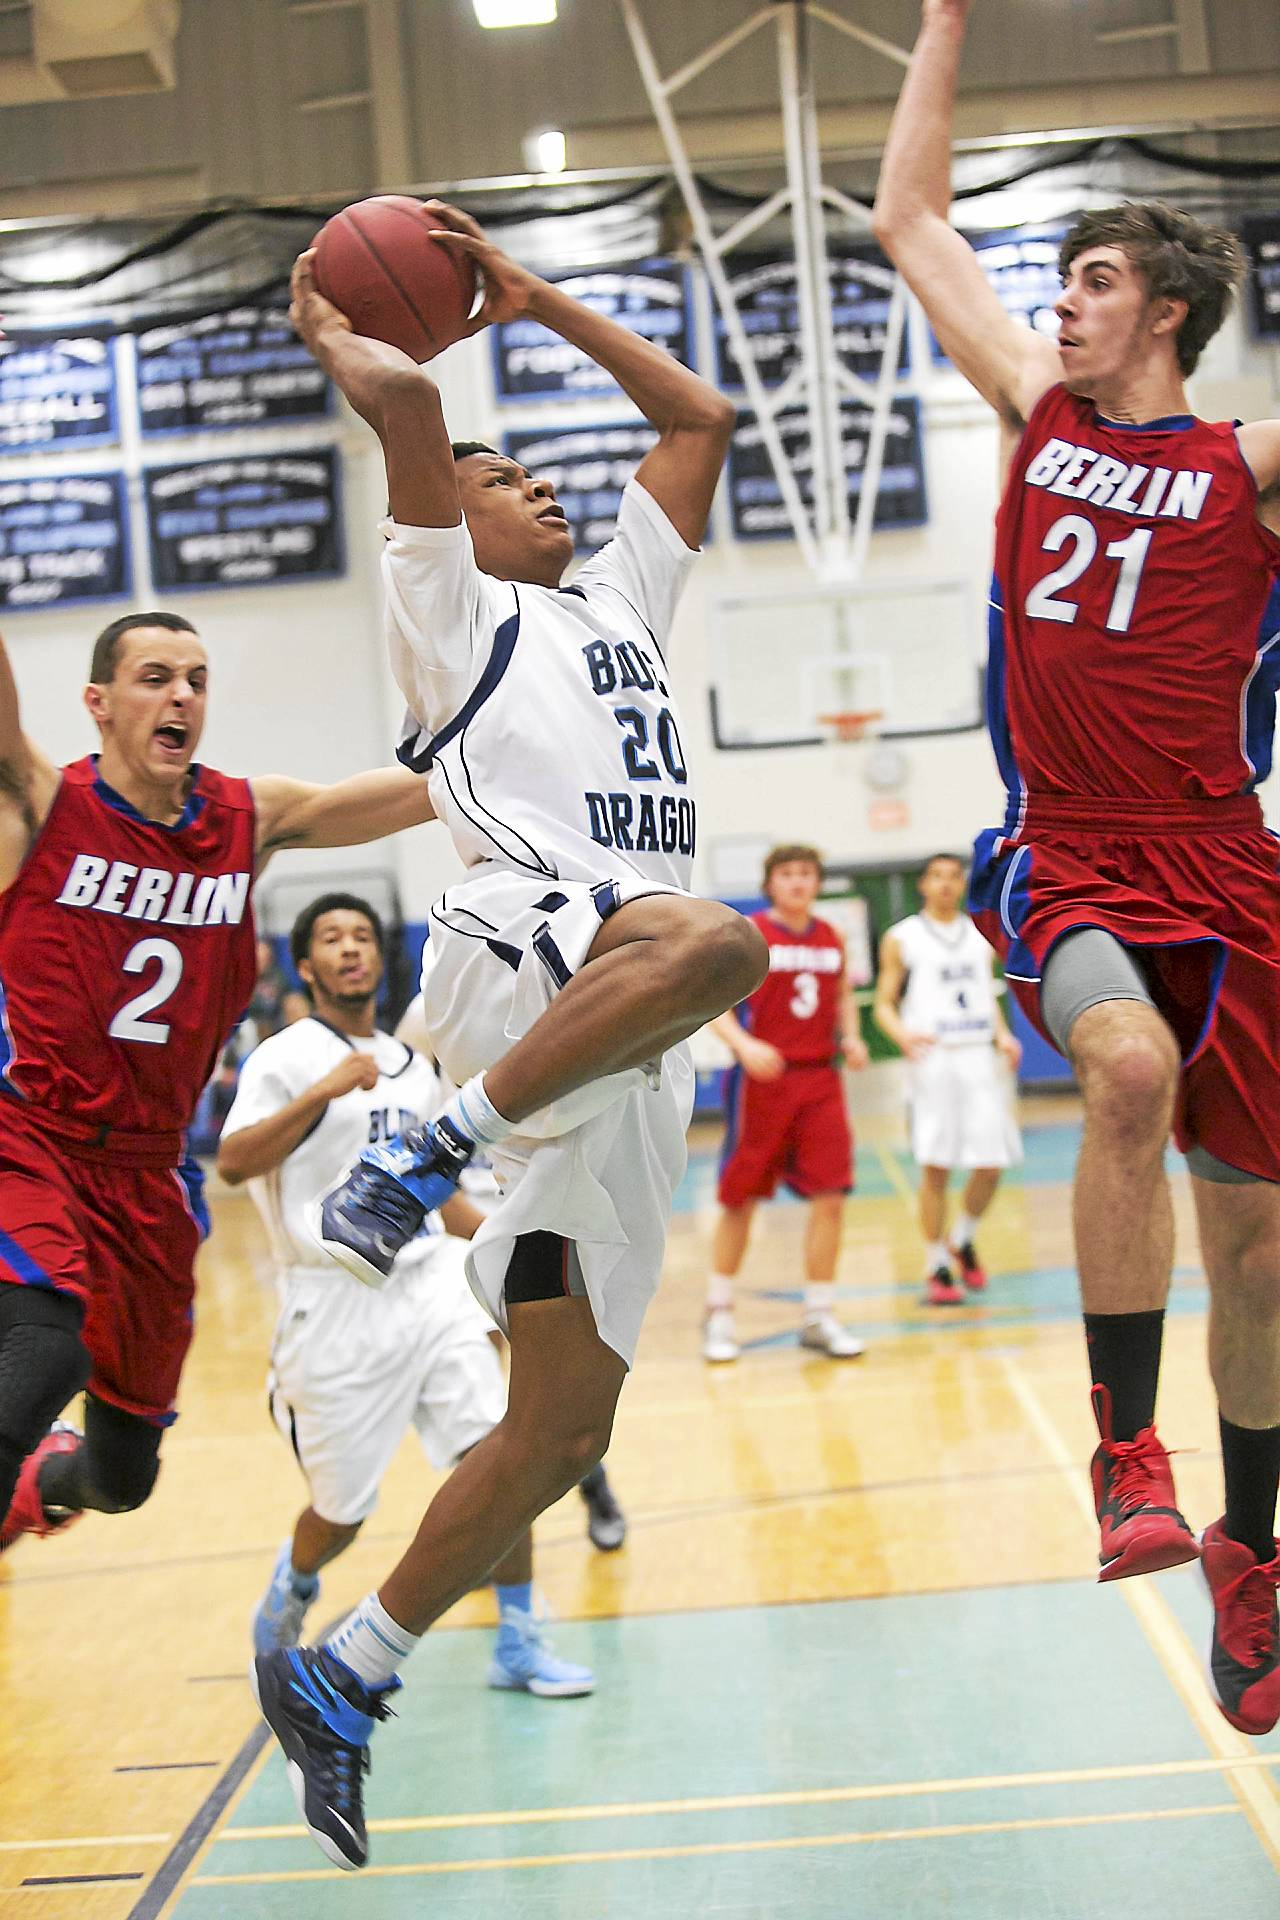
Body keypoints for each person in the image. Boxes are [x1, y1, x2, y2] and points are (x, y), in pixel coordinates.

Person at [253, 202, 765, 1870]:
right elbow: (405, 412)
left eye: (541, 474)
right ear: (450, 523)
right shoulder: (450, 611)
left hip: (619, 1028)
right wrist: (328, 317)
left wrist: (540, 298)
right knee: (717, 935)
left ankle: (347, 1673)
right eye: (503, 475)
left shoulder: (618, 597)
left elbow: (700, 423)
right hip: (521, 954)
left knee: (564, 1433)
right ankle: (423, 1149)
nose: (534, 482)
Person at [875, 0, 1280, 1737]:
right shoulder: (1041, 419)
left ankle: (1252, 1553)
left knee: (1260, 1255)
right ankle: (1128, 1452)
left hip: (1233, 865)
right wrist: (945, 20)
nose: (1062, 300)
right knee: (1124, 1072)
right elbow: (911, 222)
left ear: (1168, 306)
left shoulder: (1245, 472)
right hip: (1077, 853)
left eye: (1095, 278)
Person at [0, 608, 434, 1555]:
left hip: (152, 1179)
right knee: (40, 1350)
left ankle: (39, 1489)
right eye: (154, 677)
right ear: (98, 703)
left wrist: (524, 751)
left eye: (196, 679)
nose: (181, 696)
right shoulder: (37, 803)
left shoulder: (249, 815)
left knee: (122, 1479)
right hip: (34, 1143)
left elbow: (420, 794)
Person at [220, 893, 593, 1699]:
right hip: (331, 1303)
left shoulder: (413, 1067)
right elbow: (234, 1161)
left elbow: (436, 1196)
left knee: (502, 1461)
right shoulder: (283, 1058)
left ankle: (520, 1637)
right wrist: (322, 1093)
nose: (351, 948)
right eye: (332, 938)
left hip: (427, 1288)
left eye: (362, 936)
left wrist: (512, 1243)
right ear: (308, 964)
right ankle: (295, 1584)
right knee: (341, 1515)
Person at [395, 987, 629, 1554]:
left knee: (557, 1386)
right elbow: (416, 1145)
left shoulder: (565, 988)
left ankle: (592, 1486)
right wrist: (489, 1234)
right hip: (468, 1227)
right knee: (484, 1388)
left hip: (549, 1206)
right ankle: (486, 1538)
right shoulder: (433, 1011)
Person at [703, 844, 870, 1362]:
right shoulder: (751, 935)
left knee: (832, 1194)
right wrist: (744, 1045)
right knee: (741, 1197)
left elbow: (841, 995)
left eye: (806, 874)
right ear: (770, 883)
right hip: (764, 1082)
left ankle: (819, 1314)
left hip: (821, 1078)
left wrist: (853, 1036)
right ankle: (719, 1311)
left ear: (817, 883)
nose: (798, 883)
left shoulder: (831, 937)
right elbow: (711, 1002)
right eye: (787, 874)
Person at [874, 852, 1022, 1305]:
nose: (944, 884)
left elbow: (986, 993)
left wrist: (1003, 1035)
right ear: (923, 885)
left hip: (978, 1054)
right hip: (934, 1058)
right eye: (936, 876)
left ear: (962, 884)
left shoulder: (980, 935)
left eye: (953, 876)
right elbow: (883, 1003)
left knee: (992, 1161)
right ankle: (936, 1262)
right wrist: (902, 1035)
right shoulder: (903, 937)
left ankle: (963, 1237)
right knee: (936, 1167)